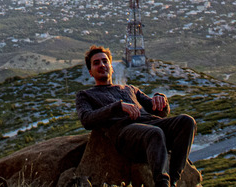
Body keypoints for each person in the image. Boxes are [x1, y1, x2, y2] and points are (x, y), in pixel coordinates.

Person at [75, 46, 196, 187]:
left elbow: (160, 112)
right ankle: (162, 183)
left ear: (111, 67)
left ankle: (173, 180)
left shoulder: (129, 89)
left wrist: (160, 99)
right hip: (125, 133)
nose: (102, 65)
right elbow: (86, 119)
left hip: (151, 124)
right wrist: (117, 107)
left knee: (187, 121)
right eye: (96, 63)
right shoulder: (85, 95)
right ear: (90, 72)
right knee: (154, 133)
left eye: (105, 61)